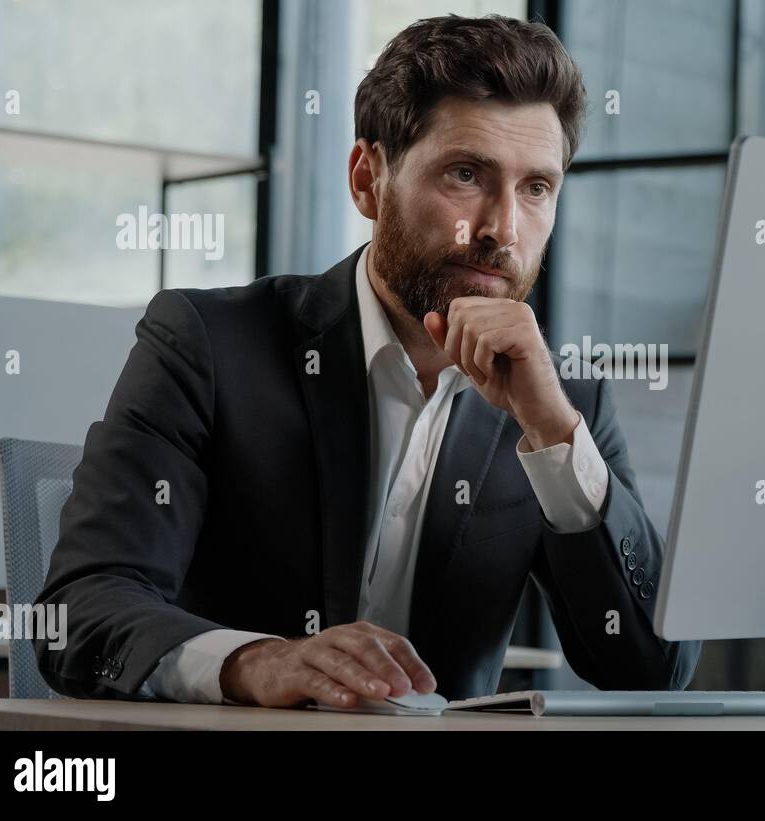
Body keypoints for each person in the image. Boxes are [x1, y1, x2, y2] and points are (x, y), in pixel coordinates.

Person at [34, 14, 701, 707]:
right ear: (366, 179)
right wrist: (257, 662)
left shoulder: (564, 403)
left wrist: (554, 435)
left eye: (537, 188)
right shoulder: (208, 343)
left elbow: (651, 668)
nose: (503, 228)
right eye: (466, 174)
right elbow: (79, 611)